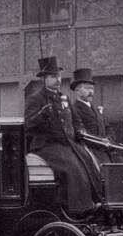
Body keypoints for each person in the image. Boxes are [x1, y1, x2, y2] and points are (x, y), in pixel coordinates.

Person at [23, 57, 102, 214]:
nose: (58, 80)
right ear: (44, 79)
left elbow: (76, 120)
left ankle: (97, 200)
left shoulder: (64, 98)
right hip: (47, 145)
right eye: (53, 77)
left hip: (68, 143)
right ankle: (79, 208)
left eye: (58, 76)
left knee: (89, 160)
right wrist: (42, 114)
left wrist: (80, 131)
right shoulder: (35, 99)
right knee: (72, 167)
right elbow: (29, 124)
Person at [69, 68, 117, 167]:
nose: (91, 91)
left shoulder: (96, 109)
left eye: (92, 88)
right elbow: (80, 133)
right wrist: (101, 142)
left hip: (106, 151)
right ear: (77, 90)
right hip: (89, 153)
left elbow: (108, 128)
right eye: (87, 88)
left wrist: (109, 140)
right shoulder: (74, 109)